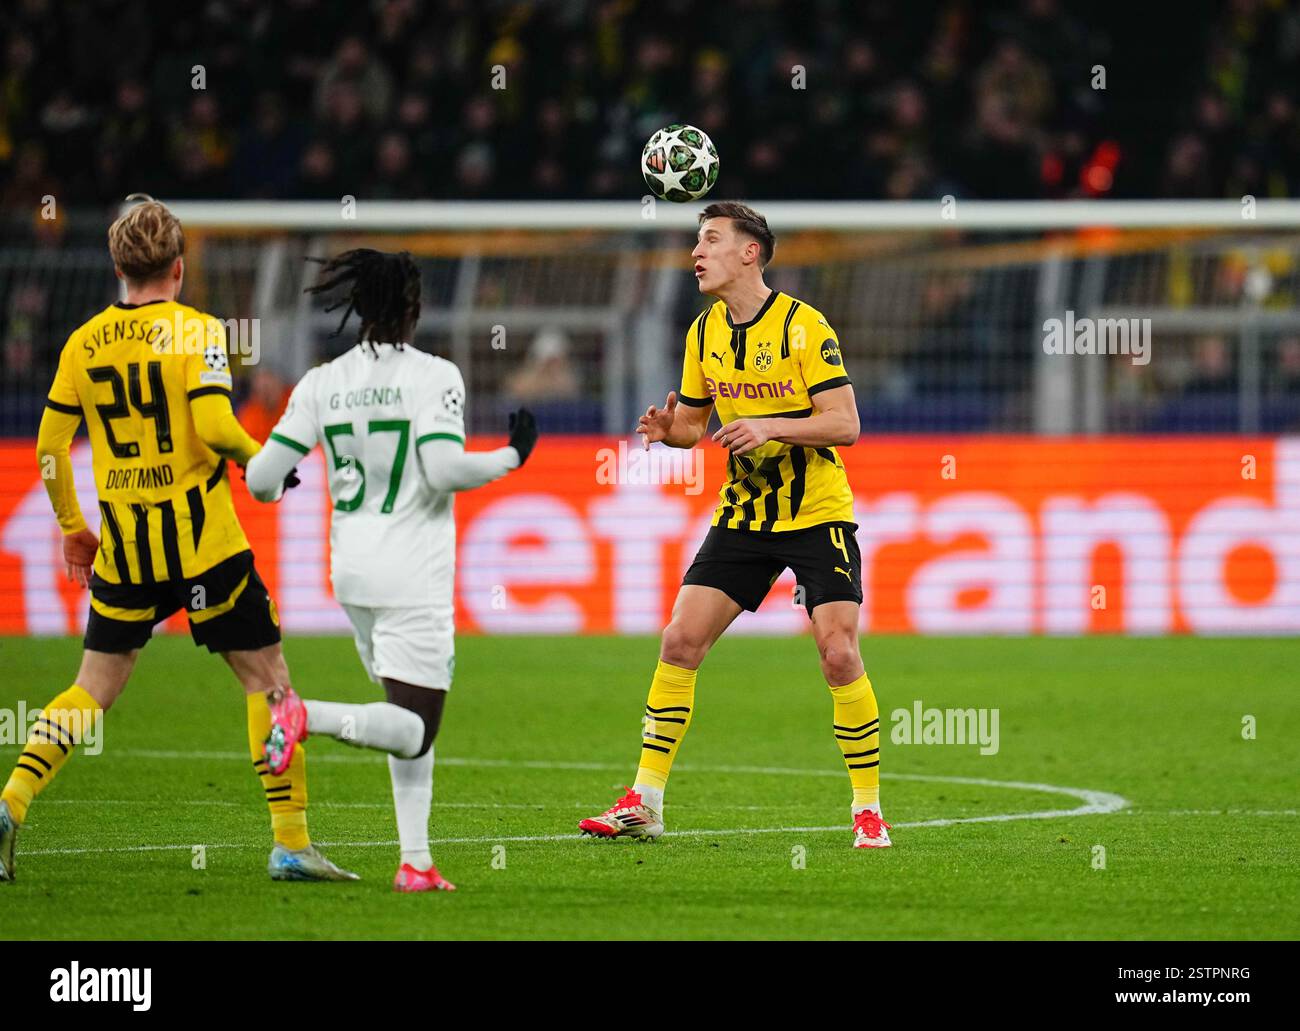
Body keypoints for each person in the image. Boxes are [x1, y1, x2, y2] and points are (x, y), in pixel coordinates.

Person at [0, 197, 354, 882]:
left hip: (127, 550)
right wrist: (265, 461)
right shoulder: (196, 333)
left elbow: (48, 446)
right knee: (270, 682)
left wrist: (75, 529)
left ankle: (12, 798)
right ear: (179, 267)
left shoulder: (83, 342)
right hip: (204, 546)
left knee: (92, 687)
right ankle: (291, 842)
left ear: (116, 266)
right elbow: (217, 428)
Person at [578, 201, 891, 849]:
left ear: (751, 252)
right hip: (745, 514)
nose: (697, 252)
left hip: (816, 512)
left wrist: (772, 424)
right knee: (678, 641)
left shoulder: (805, 327)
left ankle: (867, 808)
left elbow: (846, 423)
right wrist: (671, 434)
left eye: (712, 240)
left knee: (837, 652)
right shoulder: (703, 334)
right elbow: (695, 425)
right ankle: (646, 799)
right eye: (697, 241)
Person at [245, 249, 539, 892]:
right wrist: (511, 456)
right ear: (413, 308)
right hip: (413, 576)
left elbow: (261, 478)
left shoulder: (321, 382)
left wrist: (280, 482)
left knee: (404, 708)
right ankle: (302, 715)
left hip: (350, 572)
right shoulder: (434, 375)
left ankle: (417, 861)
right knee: (412, 730)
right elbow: (440, 469)